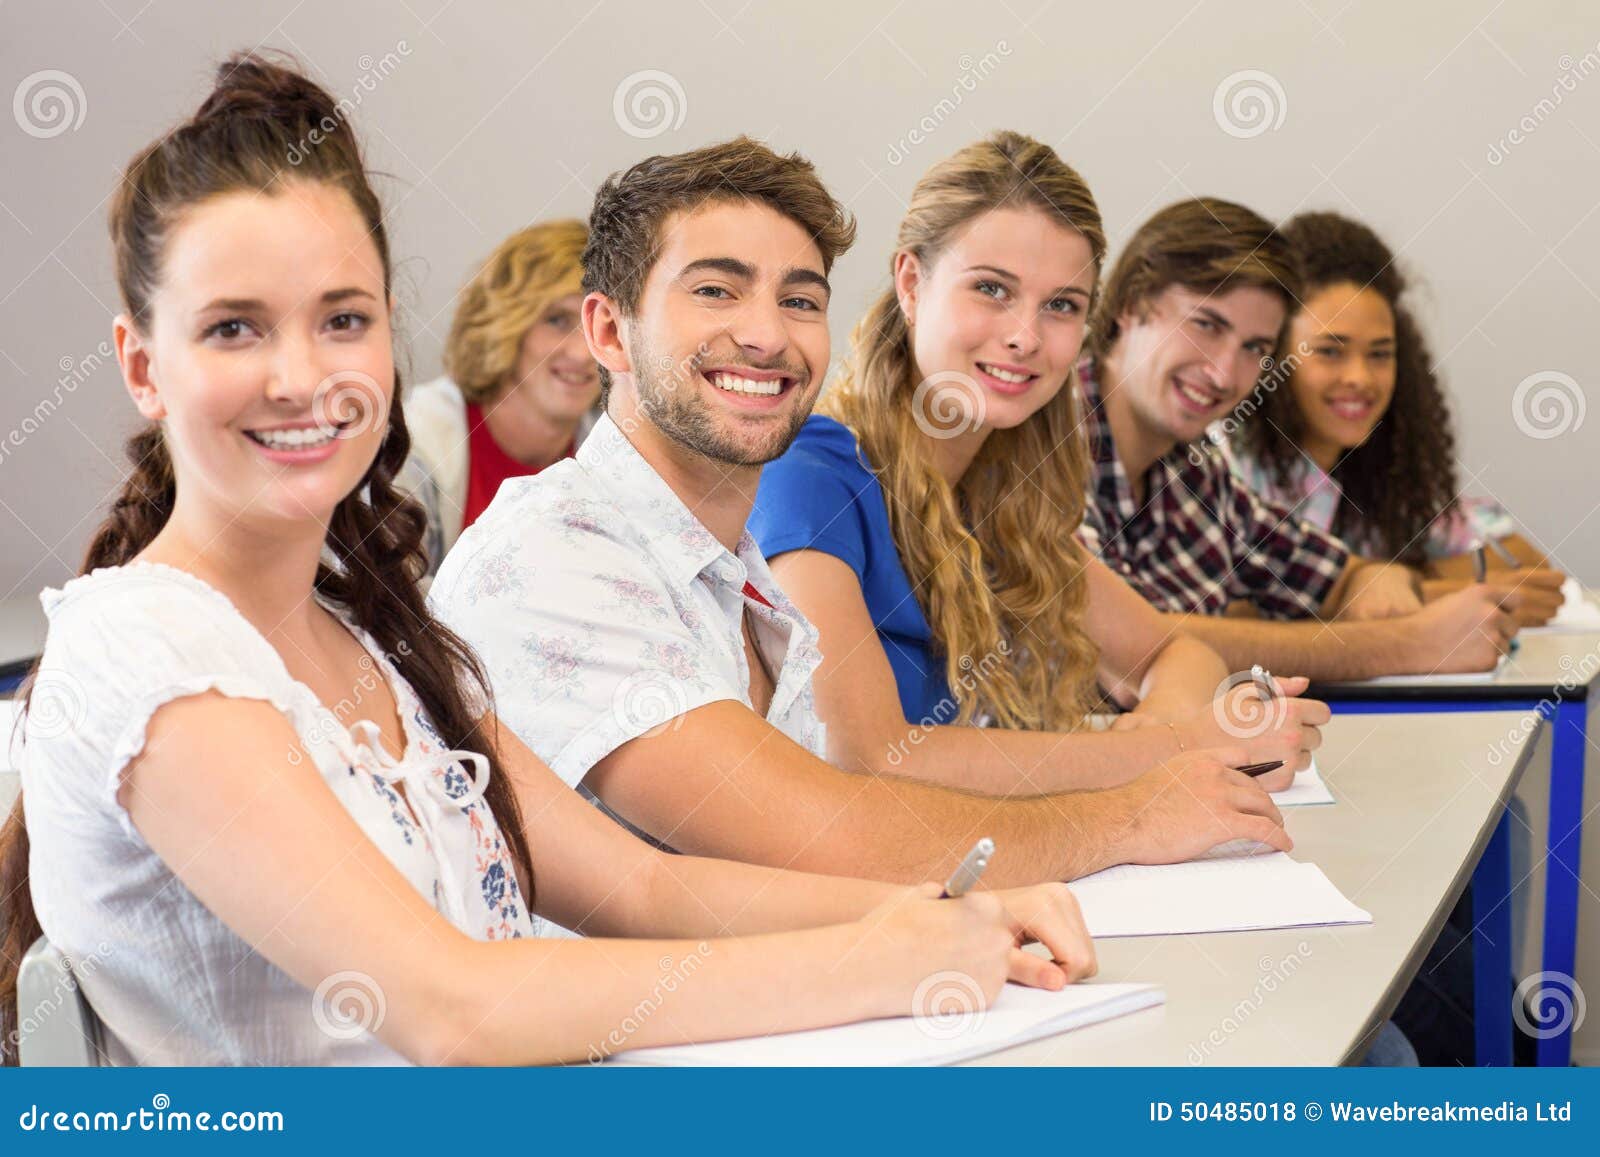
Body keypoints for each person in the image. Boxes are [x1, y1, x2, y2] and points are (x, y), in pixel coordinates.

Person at [0, 55, 1095, 1067]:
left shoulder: (377, 634)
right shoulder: (146, 648)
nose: (301, 375)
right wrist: (869, 964)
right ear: (143, 365)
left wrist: (936, 913)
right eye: (235, 328)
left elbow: (644, 886)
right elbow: (453, 1007)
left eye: (342, 319)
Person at [430, 135, 1293, 889]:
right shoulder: (554, 551)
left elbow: (819, 849)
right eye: (717, 292)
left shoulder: (742, 576)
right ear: (610, 334)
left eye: (800, 300)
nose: (768, 335)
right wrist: (1139, 803)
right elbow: (833, 824)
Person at [746, 132, 1324, 795]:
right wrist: (1181, 746)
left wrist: (1160, 734)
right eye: (992, 288)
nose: (1025, 335)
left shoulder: (994, 498)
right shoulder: (811, 472)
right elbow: (869, 755)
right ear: (911, 283)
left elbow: (1177, 653)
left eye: (1061, 305)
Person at [1076, 198, 1518, 680]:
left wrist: (1373, 581)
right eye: (1206, 325)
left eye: (1254, 348)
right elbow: (1128, 646)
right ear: (1128, 305)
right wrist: (1403, 643)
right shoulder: (1045, 441)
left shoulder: (1193, 471)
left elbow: (1338, 574)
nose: (1224, 374)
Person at [1225, 209, 1564, 627]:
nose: (1360, 378)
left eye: (1380, 354)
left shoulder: (1378, 477)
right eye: (1330, 351)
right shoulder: (1227, 465)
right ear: (1273, 350)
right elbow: (1237, 611)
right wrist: (1423, 593)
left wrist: (1397, 585)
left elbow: (1528, 567)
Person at [399, 220, 601, 576]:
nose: (583, 352)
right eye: (557, 320)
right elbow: (391, 607)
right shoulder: (413, 448)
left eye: (598, 324)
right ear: (506, 324)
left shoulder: (616, 456)